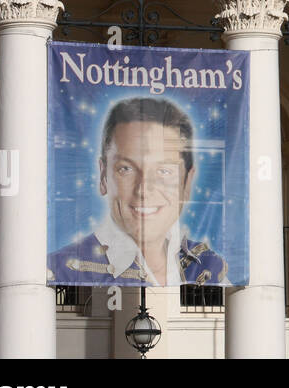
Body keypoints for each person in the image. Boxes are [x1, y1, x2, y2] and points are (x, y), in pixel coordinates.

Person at [47, 97, 228, 287]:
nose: (143, 190)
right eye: (126, 169)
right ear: (103, 176)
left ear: (187, 183)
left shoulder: (209, 268)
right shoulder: (61, 272)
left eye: (164, 171)